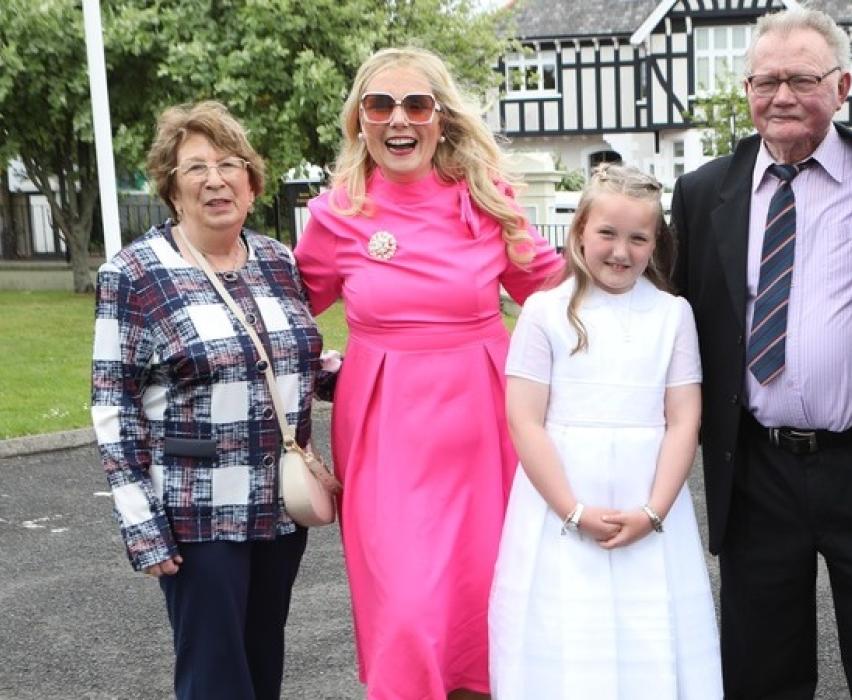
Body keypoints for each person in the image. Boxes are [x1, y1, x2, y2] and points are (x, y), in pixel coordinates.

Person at [670, 8, 852, 699]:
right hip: (756, 467)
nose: (782, 96)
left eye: (803, 79)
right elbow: (665, 315)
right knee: (760, 669)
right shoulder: (703, 193)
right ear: (749, 88)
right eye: (766, 80)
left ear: (842, 87)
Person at [294, 47, 563, 698]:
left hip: (484, 434)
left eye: (416, 105)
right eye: (379, 105)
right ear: (359, 119)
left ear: (441, 118)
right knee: (408, 614)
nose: (398, 121)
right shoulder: (336, 215)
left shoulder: (486, 200)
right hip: (385, 440)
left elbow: (554, 291)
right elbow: (285, 318)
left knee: (485, 607)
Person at [91, 101, 324, 700]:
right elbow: (113, 406)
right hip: (198, 516)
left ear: (252, 183)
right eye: (195, 168)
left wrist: (374, 371)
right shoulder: (135, 274)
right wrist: (142, 525)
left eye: (229, 164)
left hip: (278, 509)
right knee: (215, 678)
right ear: (171, 188)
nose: (215, 180)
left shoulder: (276, 260)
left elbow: (285, 360)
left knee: (262, 664)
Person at [489, 164, 722, 698]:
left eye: (638, 238)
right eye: (607, 234)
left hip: (648, 504)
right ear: (579, 235)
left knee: (650, 632)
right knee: (567, 635)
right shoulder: (545, 312)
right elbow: (524, 419)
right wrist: (571, 509)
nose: (621, 251)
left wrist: (654, 511)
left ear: (655, 242)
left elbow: (684, 418)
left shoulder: (672, 315)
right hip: (560, 507)